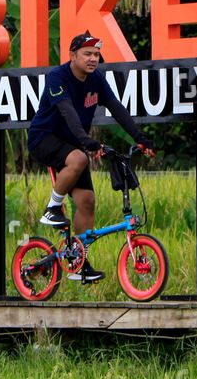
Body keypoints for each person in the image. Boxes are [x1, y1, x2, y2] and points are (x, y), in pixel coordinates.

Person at [27, 32, 153, 283]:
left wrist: (140, 137)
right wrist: (87, 142)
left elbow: (116, 107)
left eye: (96, 54)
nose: (93, 59)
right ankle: (52, 208)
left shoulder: (96, 79)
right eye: (87, 54)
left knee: (87, 201)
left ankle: (78, 263)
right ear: (72, 55)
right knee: (79, 159)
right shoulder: (57, 77)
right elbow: (68, 112)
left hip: (72, 145)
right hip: (44, 139)